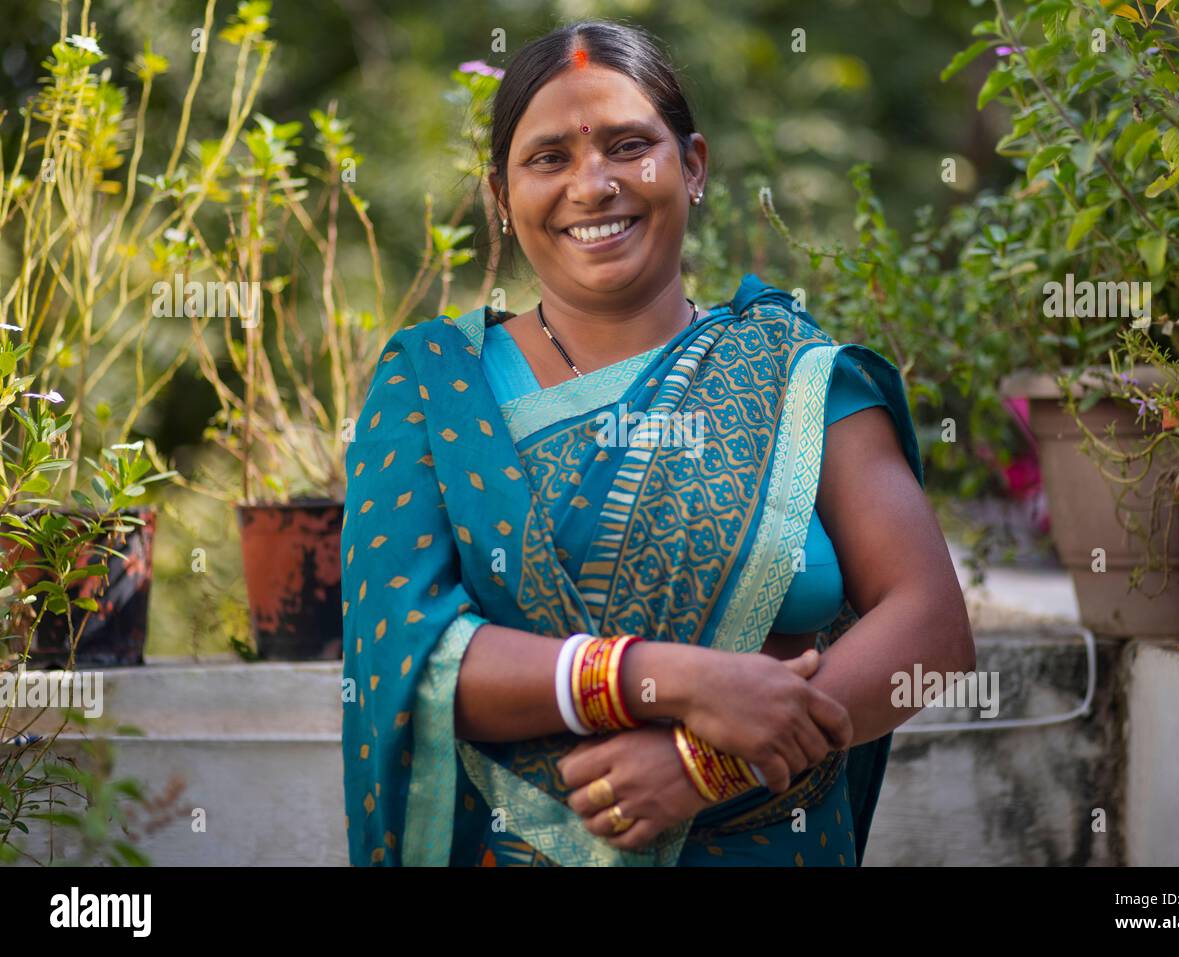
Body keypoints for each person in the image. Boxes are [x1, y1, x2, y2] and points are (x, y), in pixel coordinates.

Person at [341, 19, 974, 867]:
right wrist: (666, 678)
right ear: (501, 194)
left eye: (628, 145)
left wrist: (707, 763)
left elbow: (931, 635)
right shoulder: (434, 387)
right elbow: (407, 654)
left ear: (694, 165)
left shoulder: (794, 375)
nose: (592, 184)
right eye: (548, 158)